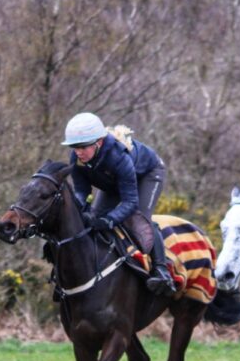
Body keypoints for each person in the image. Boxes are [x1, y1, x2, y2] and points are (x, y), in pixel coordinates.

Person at [62, 112, 175, 296]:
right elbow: (82, 191)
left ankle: (161, 270)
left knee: (140, 221)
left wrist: (109, 220)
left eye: (83, 147)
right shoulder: (77, 158)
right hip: (114, 181)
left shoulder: (117, 157)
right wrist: (80, 209)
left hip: (148, 174)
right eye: (74, 147)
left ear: (99, 142)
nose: (78, 152)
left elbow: (130, 202)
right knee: (95, 218)